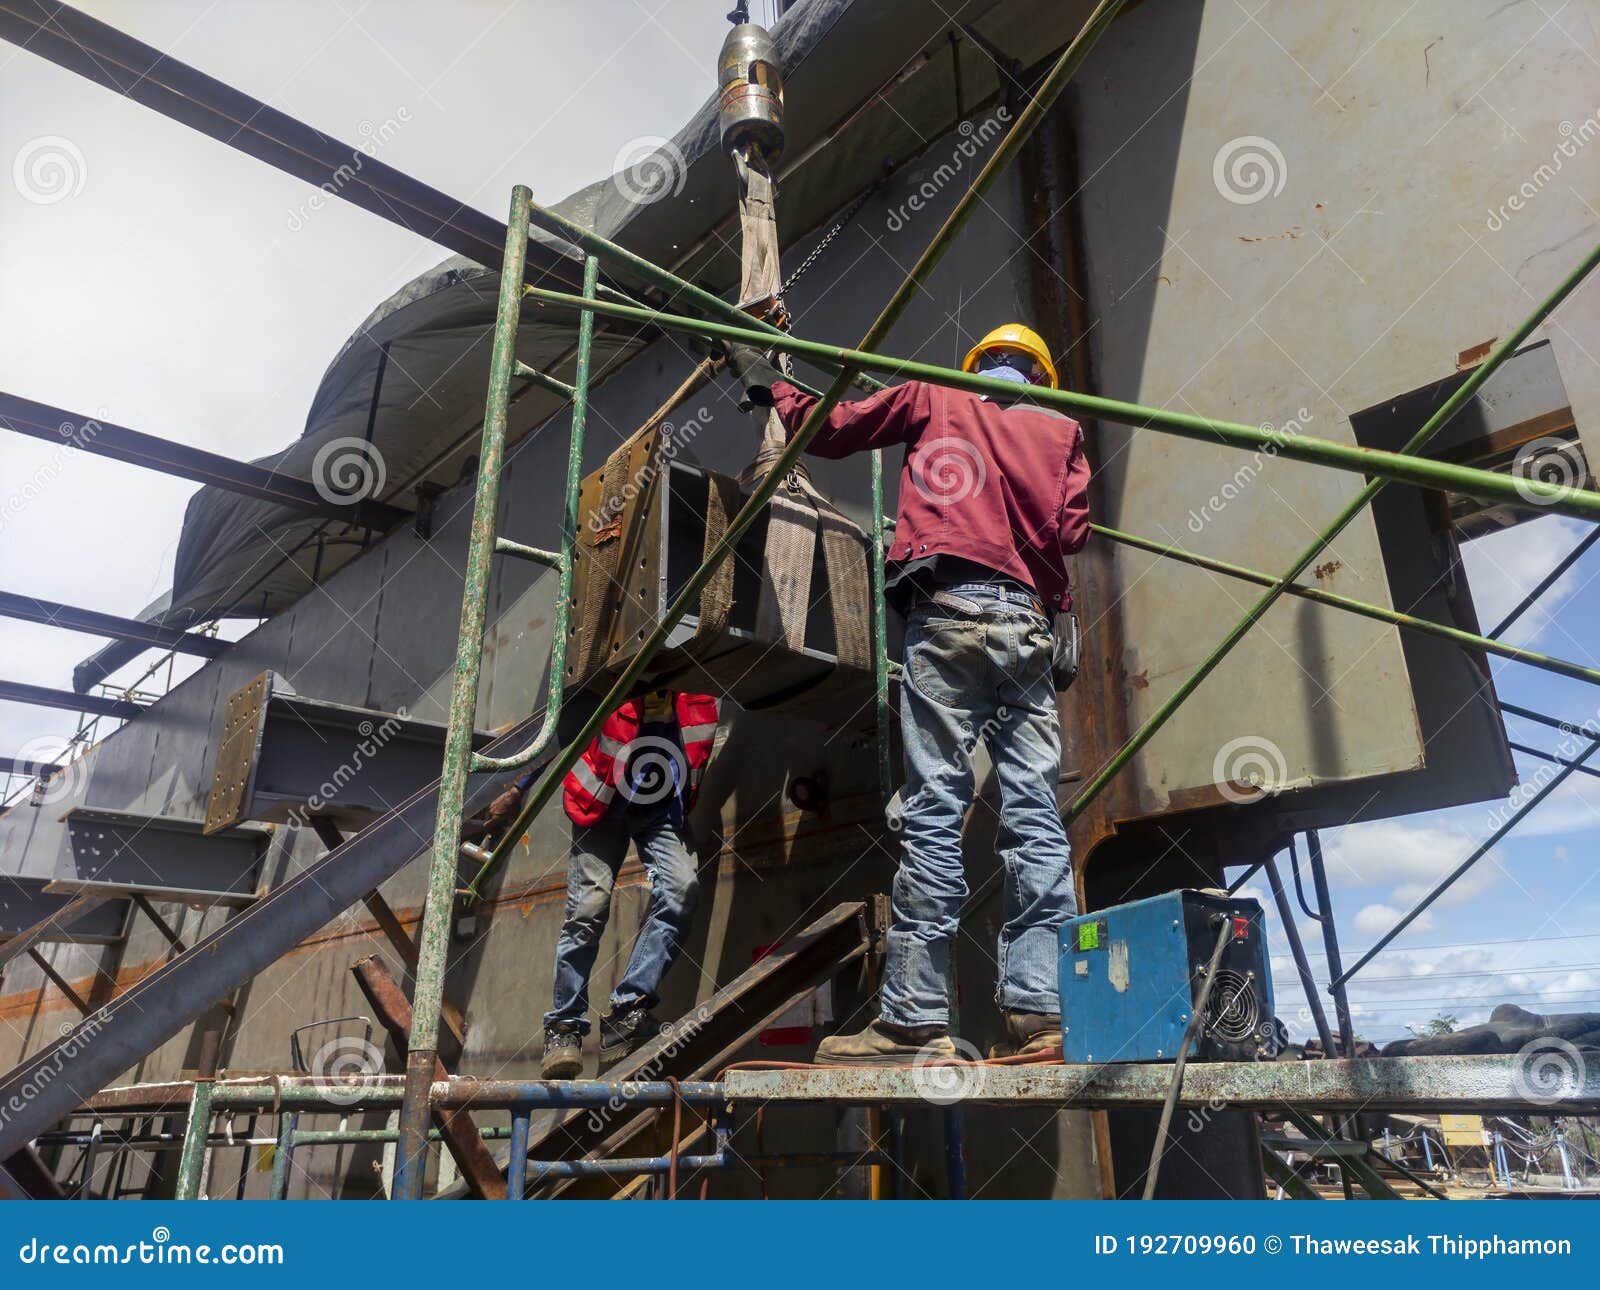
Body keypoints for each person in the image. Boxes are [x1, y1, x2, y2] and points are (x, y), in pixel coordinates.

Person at [728, 324, 1090, 1065]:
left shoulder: (935, 395)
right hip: (1025, 626)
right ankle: (1044, 1012)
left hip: (948, 615)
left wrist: (774, 384)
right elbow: (1073, 532)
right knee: (1035, 816)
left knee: (935, 811)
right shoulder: (1063, 428)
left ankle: (915, 1018)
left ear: (979, 364)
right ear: (1042, 376)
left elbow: (830, 430)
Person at [485, 689, 720, 1078]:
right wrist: (516, 789)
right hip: (601, 806)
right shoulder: (618, 675)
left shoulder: (701, 681)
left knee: (681, 889)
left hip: (659, 810)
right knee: (588, 910)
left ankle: (628, 1010)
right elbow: (559, 727)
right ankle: (564, 1027)